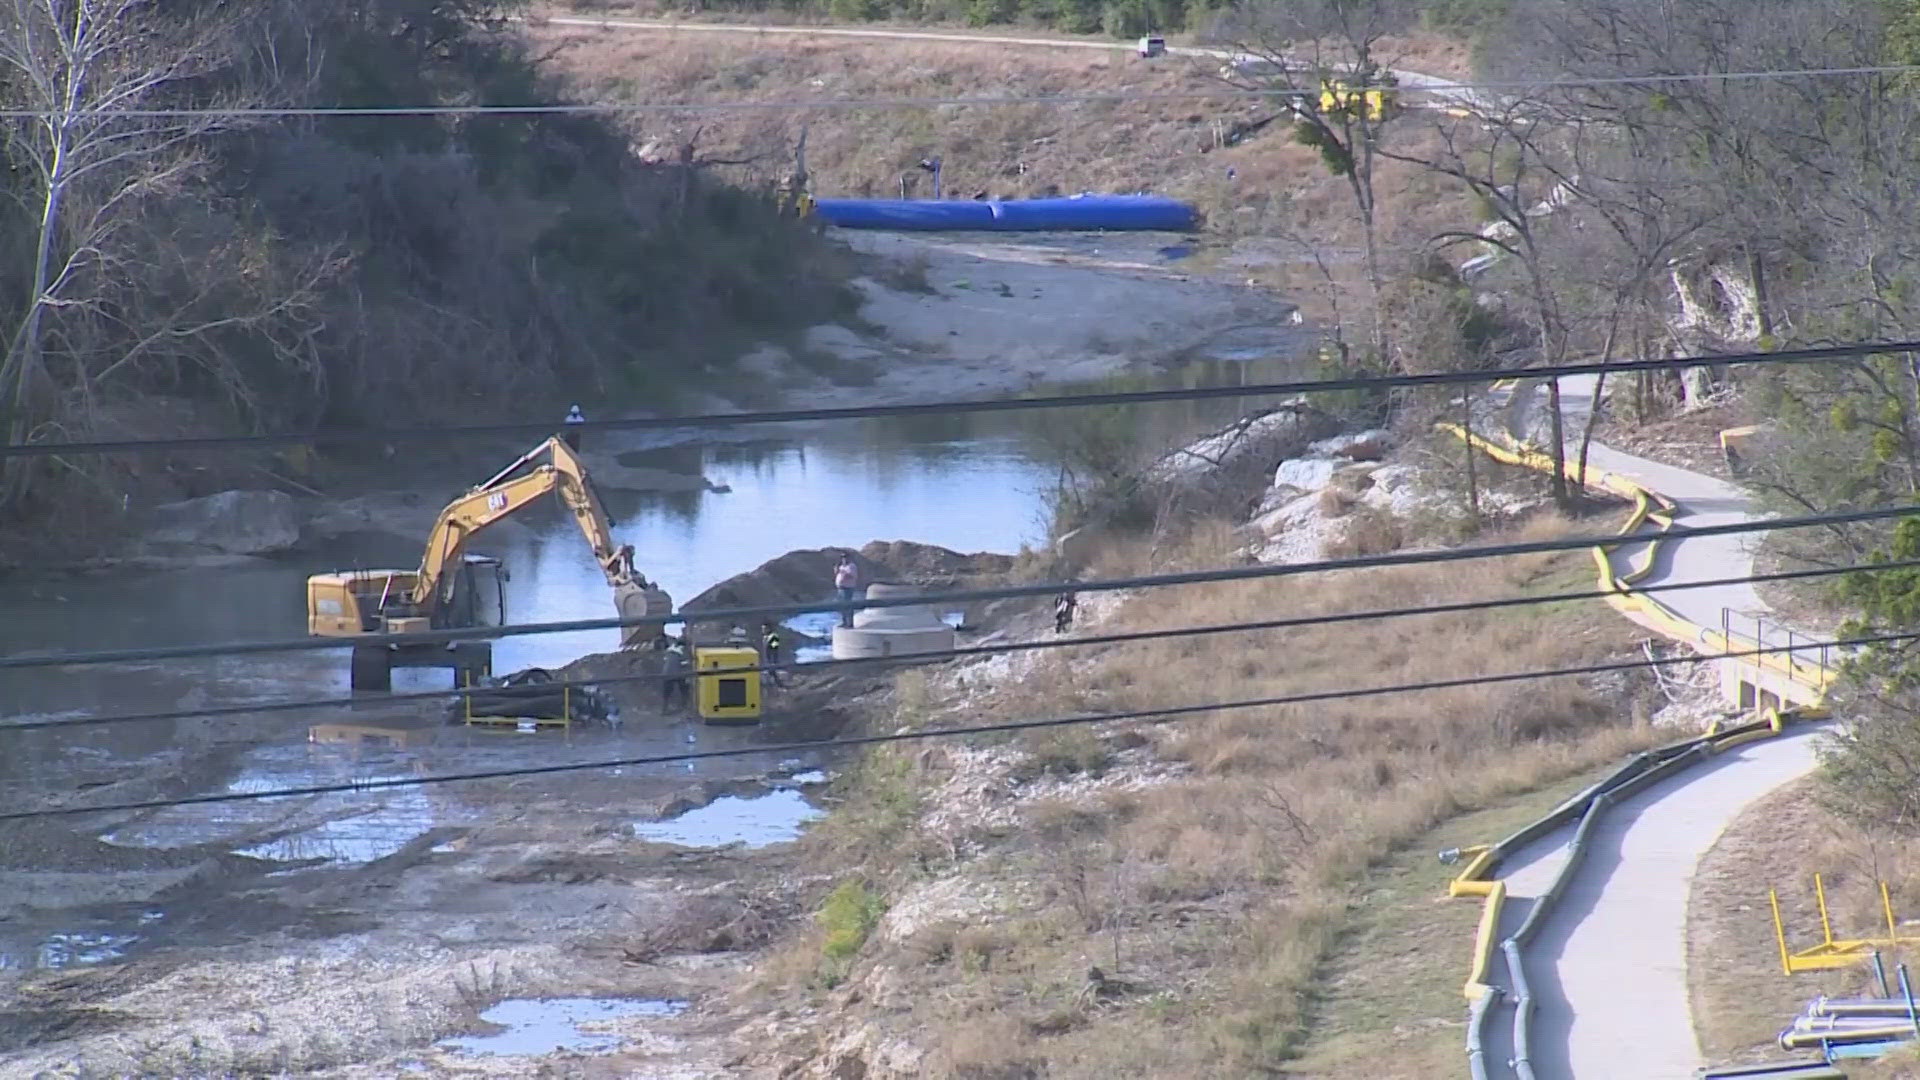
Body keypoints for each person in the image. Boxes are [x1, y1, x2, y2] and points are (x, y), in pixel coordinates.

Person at [660, 637, 691, 713]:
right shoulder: (682, 652)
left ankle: (664, 709)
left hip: (666, 674)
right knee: (684, 689)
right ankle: (684, 706)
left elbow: (665, 660)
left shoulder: (668, 651)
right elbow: (685, 664)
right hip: (678, 673)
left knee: (667, 693)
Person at [833, 554, 861, 629]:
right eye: (842, 558)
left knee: (848, 606)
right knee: (842, 606)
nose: (844, 559)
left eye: (845, 558)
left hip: (847, 588)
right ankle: (844, 622)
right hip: (840, 588)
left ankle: (850, 623)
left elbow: (852, 576)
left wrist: (843, 573)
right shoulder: (842, 566)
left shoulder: (851, 566)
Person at [761, 621, 786, 688]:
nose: (763, 630)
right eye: (762, 629)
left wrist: (773, 662)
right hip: (767, 660)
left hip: (772, 661)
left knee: (774, 676)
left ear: (768, 628)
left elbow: (775, 649)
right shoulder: (765, 637)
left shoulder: (774, 637)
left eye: (764, 629)